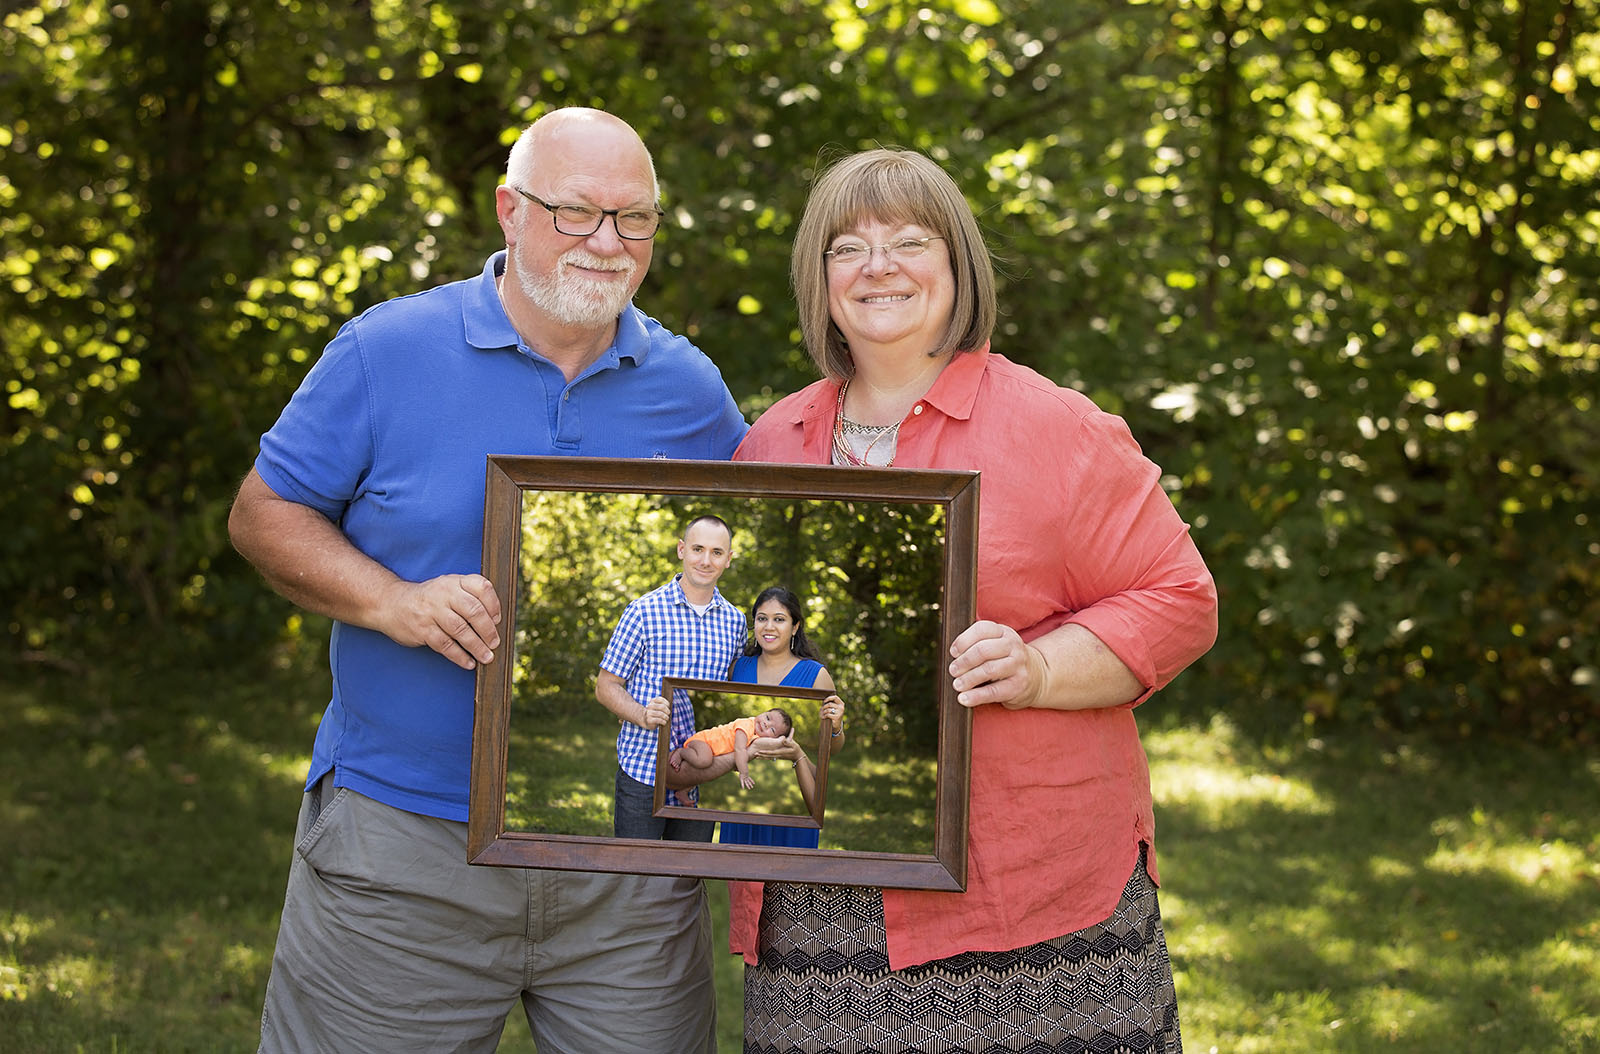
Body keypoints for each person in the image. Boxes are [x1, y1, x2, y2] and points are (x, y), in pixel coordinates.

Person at [228, 107, 746, 1054]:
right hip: (405, 849)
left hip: (622, 868)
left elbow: (748, 561)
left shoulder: (692, 391)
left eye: (634, 219)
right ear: (509, 211)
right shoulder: (386, 351)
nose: (607, 242)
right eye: (576, 212)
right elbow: (264, 514)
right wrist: (393, 601)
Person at [732, 148, 1219, 1052]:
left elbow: (1179, 598)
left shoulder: (1055, 427)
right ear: (819, 278)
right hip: (820, 908)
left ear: (957, 265)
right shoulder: (773, 442)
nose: (878, 266)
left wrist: (1035, 669)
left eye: (909, 240)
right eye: (848, 247)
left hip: (1029, 903)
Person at [596, 514, 746, 842]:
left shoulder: (736, 622)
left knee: (685, 882)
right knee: (635, 878)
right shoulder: (643, 611)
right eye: (697, 549)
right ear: (681, 550)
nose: (706, 561)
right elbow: (606, 686)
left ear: (729, 559)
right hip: (643, 772)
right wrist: (642, 714)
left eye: (717, 552)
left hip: (700, 777)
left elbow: (736, 694)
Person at [669, 706, 794, 788]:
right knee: (704, 761)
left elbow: (750, 751)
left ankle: (683, 791)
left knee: (702, 774)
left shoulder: (755, 737)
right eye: (767, 717)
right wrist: (744, 773)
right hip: (703, 741)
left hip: (711, 750)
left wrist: (777, 744)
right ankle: (681, 752)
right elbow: (739, 750)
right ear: (762, 713)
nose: (766, 724)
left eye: (772, 729)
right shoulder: (746, 725)